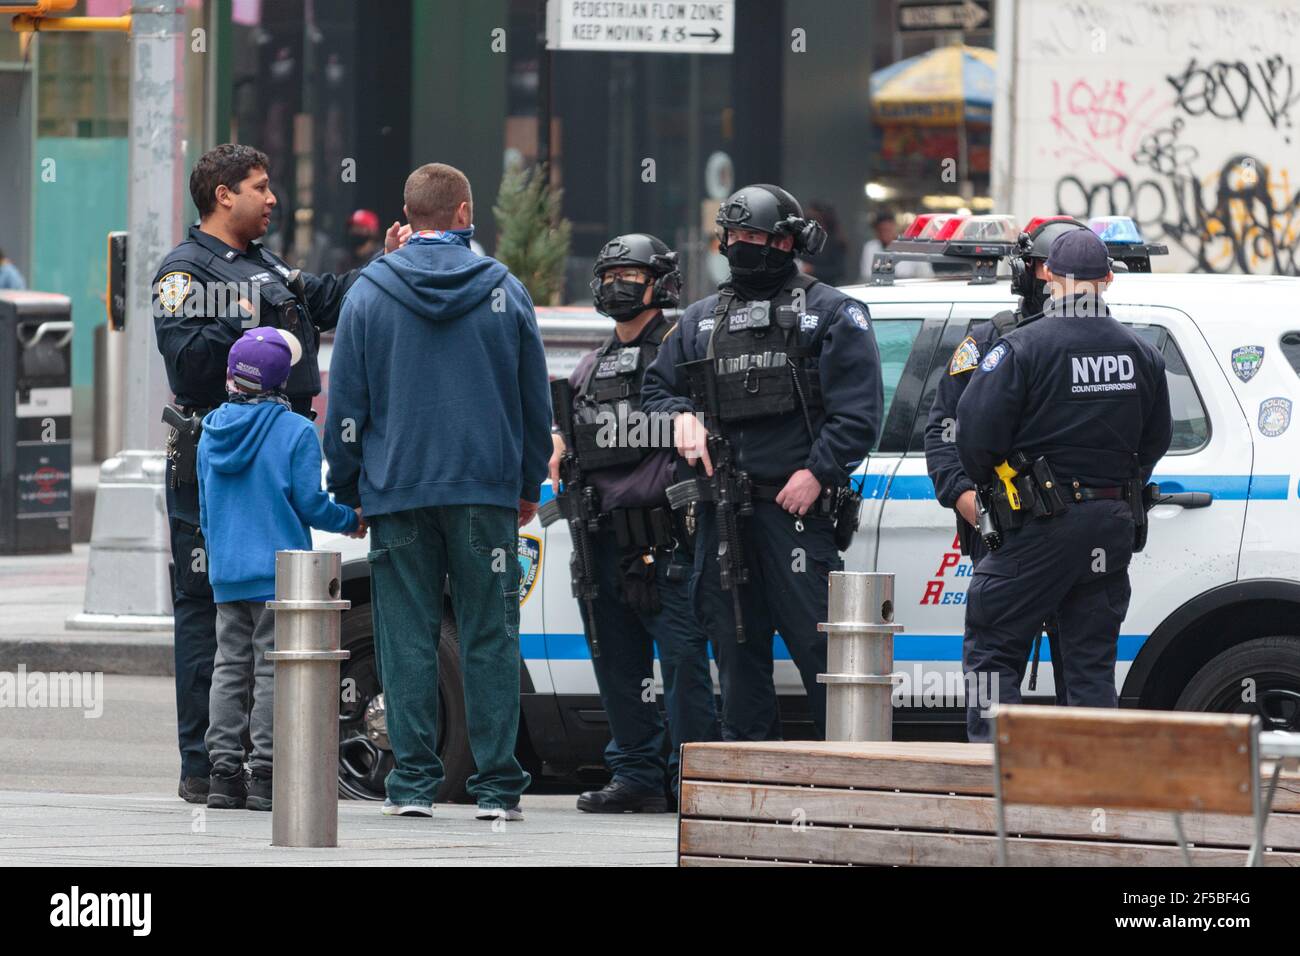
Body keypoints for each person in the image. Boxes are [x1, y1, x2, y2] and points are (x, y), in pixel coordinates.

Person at [152, 143, 404, 805]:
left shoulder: (264, 263)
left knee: (267, 626)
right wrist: (253, 318)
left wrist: (387, 265)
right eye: (260, 188)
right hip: (214, 467)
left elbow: (326, 300)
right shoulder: (184, 271)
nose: (272, 200)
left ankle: (259, 765)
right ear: (221, 195)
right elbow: (186, 363)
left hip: (276, 458)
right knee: (212, 618)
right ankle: (207, 767)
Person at [324, 162, 551, 821]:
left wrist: (349, 488)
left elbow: (347, 404)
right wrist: (528, 481)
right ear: (462, 214)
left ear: (408, 214)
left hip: (397, 492)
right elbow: (533, 400)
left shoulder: (370, 293)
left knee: (408, 636)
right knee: (490, 632)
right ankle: (498, 789)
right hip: (485, 493)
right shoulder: (505, 289)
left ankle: (414, 784)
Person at [642, 184, 884, 740]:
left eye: (759, 237)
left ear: (788, 242)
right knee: (736, 651)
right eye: (738, 236)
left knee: (822, 652)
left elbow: (859, 415)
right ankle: (753, 790)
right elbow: (655, 391)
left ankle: (848, 783)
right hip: (723, 513)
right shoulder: (701, 320)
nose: (746, 246)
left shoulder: (833, 312)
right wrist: (679, 416)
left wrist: (817, 472)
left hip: (793, 510)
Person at [955, 229, 1172, 742]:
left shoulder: (1021, 348)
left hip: (1039, 527)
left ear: (1050, 276)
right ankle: (1093, 801)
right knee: (1090, 664)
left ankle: (996, 775)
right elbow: (1155, 441)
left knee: (992, 648)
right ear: (1108, 279)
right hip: (1111, 525)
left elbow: (975, 440)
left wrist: (1008, 485)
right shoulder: (1142, 353)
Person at [549, 234, 719, 813]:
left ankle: (695, 778)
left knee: (682, 662)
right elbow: (570, 433)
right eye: (609, 274)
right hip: (598, 537)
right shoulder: (591, 365)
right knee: (616, 661)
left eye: (631, 274)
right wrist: (555, 441)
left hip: (666, 537)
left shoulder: (680, 353)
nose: (617, 284)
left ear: (662, 284)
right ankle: (637, 775)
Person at [923, 217, 1093, 704]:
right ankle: (998, 775)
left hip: (1075, 527)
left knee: (1079, 674)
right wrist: (964, 496)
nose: (1051, 280)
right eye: (1042, 268)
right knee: (995, 673)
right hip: (1003, 527)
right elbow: (944, 427)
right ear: (1026, 272)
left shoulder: (1102, 338)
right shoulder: (989, 339)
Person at [197, 327, 364, 810]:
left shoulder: (210, 430)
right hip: (281, 574)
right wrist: (350, 520)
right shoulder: (295, 432)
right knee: (271, 668)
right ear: (282, 382)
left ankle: (222, 774)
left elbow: (205, 509)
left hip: (227, 571)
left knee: (228, 668)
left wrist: (221, 553)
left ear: (231, 375)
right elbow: (311, 505)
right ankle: (265, 775)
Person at [859, 212, 932, 282]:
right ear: (876, 232)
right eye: (881, 230)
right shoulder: (870, 247)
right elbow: (867, 276)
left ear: (895, 227)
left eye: (888, 230)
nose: (884, 234)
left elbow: (926, 273)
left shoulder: (912, 245)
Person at [325, 209, 384, 273]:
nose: (354, 231)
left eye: (359, 228)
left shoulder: (380, 259)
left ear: (372, 231)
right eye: (353, 228)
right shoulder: (344, 259)